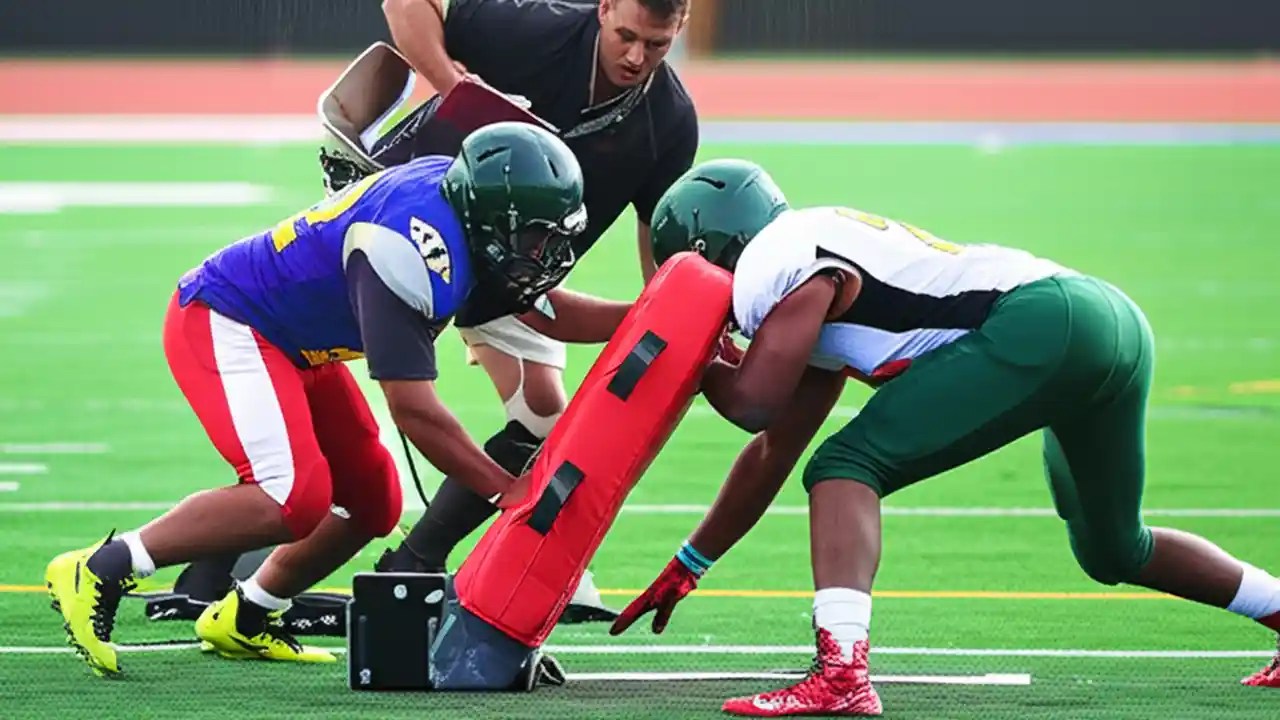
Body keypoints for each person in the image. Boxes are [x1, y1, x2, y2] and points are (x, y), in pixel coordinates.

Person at [609, 159, 1280, 716]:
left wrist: (687, 354)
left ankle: (842, 674)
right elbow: (772, 446)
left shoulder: (780, 257)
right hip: (1106, 322)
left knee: (846, 465)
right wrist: (693, 561)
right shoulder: (808, 281)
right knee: (1114, 549)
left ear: (712, 251)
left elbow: (751, 404)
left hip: (1045, 322)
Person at [44, 122, 633, 677]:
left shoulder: (467, 216)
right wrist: (505, 491)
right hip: (229, 321)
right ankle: (103, 568)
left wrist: (646, 319)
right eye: (535, 235)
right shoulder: (411, 245)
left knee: (373, 500)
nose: (543, 251)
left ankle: (249, 613)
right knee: (290, 496)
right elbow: (416, 411)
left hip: (298, 344)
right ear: (493, 220)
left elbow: (549, 310)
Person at [349, 0, 700, 621]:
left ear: (681, 30)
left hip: (517, 280)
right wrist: (454, 85)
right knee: (308, 369)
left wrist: (680, 324)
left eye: (657, 45)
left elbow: (659, 262)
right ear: (604, 8)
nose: (636, 57)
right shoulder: (534, 31)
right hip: (419, 240)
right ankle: (232, 560)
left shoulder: (670, 122)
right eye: (626, 36)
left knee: (545, 421)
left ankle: (418, 560)